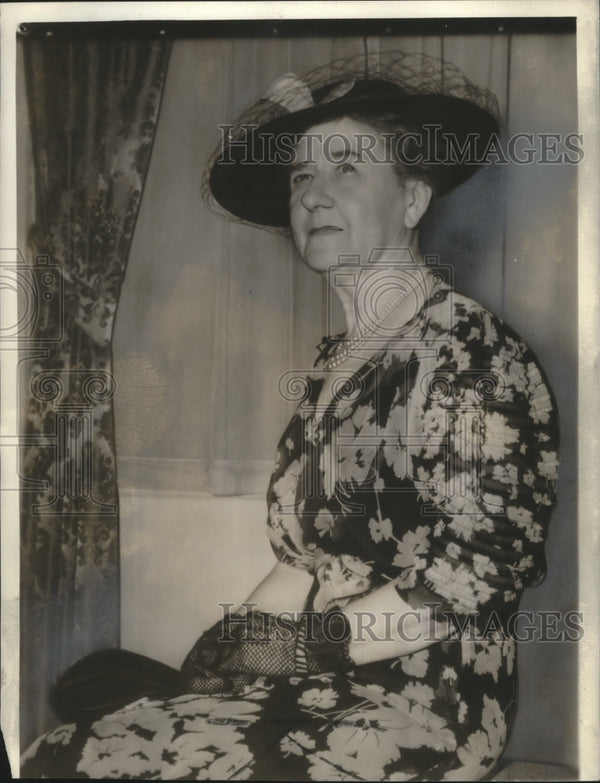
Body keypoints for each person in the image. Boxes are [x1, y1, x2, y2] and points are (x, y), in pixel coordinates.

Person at [21, 51, 559, 781]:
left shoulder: (472, 354)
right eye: (301, 176)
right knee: (65, 742)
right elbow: (301, 560)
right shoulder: (336, 364)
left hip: (424, 707)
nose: (311, 195)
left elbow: (466, 582)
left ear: (411, 200)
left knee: (86, 763)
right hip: (315, 681)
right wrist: (215, 655)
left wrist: (291, 651)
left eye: (345, 170)